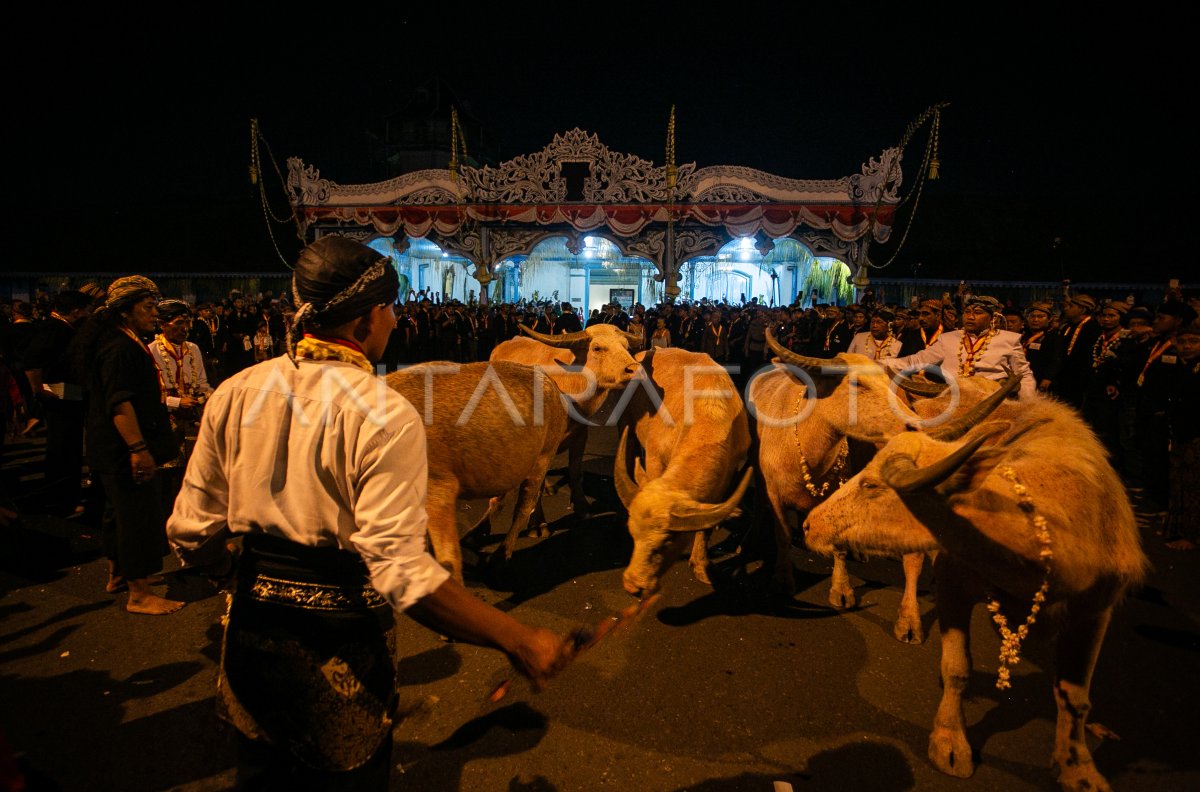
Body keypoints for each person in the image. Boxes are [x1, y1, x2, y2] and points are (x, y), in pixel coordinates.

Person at [166, 236, 575, 790]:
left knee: (261, 776)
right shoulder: (384, 414)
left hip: (251, 638)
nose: (396, 321)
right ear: (365, 320)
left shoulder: (236, 391)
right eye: (390, 309)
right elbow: (401, 572)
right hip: (340, 642)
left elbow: (190, 531)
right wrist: (518, 638)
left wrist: (236, 576)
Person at [77, 276, 183, 614]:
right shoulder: (119, 348)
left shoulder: (122, 339)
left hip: (109, 447)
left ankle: (118, 574)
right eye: (148, 307)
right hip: (121, 449)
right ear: (125, 311)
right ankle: (140, 595)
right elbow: (119, 403)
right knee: (137, 516)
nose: (154, 314)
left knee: (117, 512)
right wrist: (138, 449)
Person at [881, 294, 1036, 399]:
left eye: (978, 312)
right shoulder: (948, 338)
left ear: (992, 318)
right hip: (951, 398)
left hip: (990, 401)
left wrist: (1027, 403)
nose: (970, 316)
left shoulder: (1009, 340)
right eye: (967, 312)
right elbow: (915, 361)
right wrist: (877, 364)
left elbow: (1024, 375)